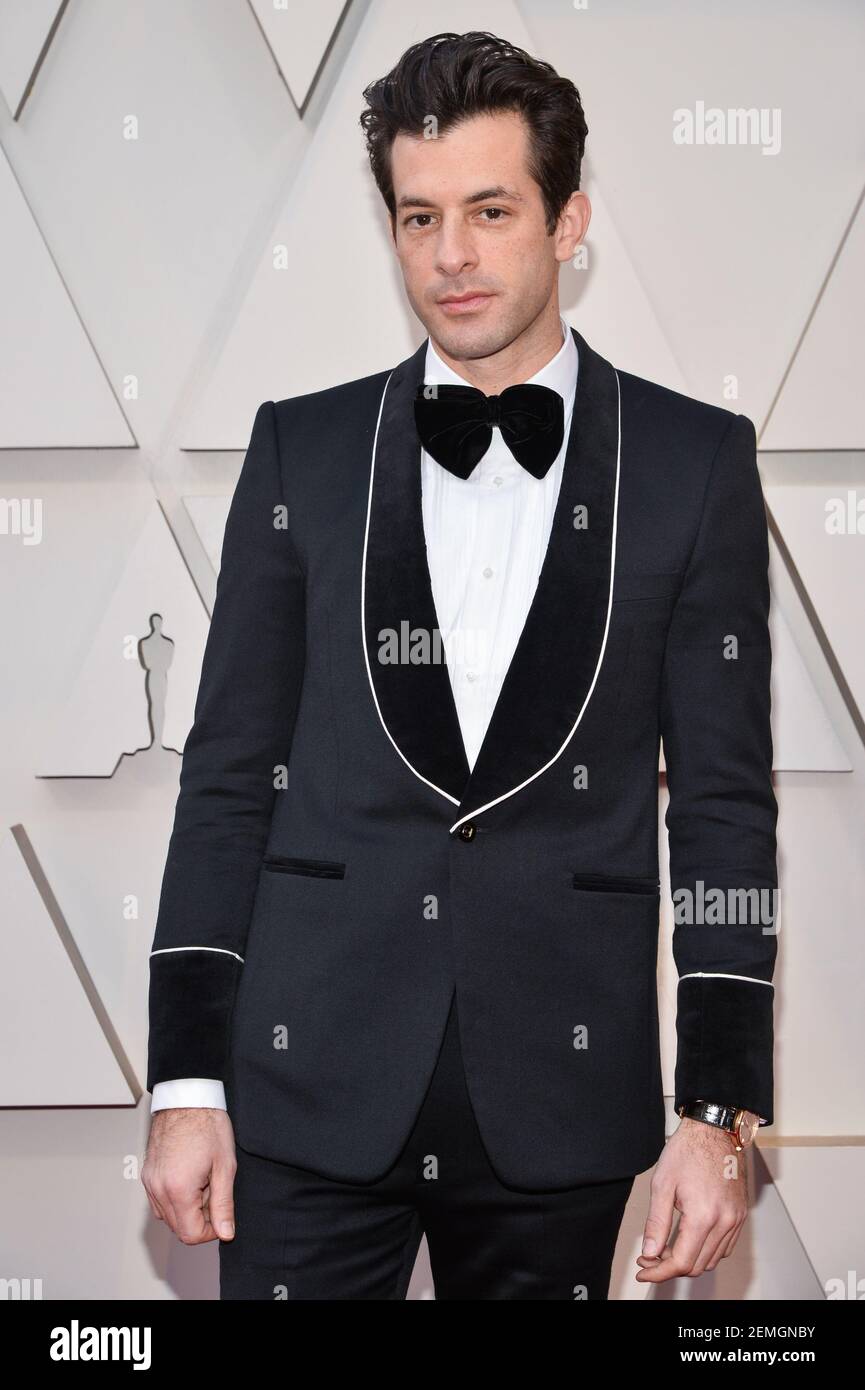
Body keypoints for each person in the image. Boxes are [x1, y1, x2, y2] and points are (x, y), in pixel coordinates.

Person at [141, 31, 777, 1301]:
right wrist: (185, 1084)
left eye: (490, 211)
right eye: (418, 216)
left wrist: (717, 1113)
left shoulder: (691, 463)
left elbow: (720, 810)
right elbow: (223, 783)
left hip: (559, 1096)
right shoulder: (300, 455)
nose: (450, 256)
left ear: (568, 218)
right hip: (305, 1087)